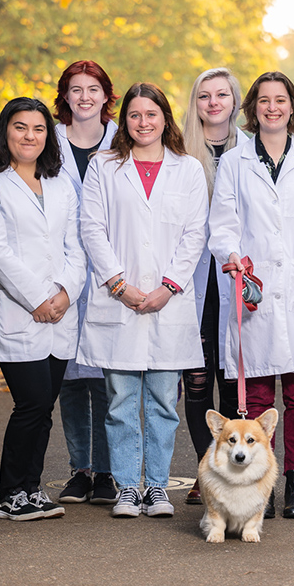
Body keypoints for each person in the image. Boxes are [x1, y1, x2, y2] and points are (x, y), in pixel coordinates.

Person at [209, 71, 294, 519]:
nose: (272, 107)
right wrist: (232, 254)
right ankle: (260, 483)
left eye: (280, 99)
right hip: (254, 286)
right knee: (259, 396)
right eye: (263, 100)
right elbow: (223, 222)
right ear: (252, 108)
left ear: (292, 106)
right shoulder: (234, 162)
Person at [78, 83, 209, 519]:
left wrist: (167, 287)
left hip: (168, 300)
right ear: (124, 121)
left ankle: (156, 486)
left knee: (162, 400)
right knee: (119, 400)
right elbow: (91, 228)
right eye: (134, 115)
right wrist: (120, 285)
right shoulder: (103, 167)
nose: (143, 122)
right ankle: (127, 487)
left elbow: (195, 233)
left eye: (151, 114)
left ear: (165, 119)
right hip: (120, 299)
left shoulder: (187, 169)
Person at [0, 97, 87, 521]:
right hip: (21, 310)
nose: (29, 136)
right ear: (5, 132)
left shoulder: (59, 184)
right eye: (20, 127)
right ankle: (8, 494)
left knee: (44, 407)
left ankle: (31, 489)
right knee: (31, 403)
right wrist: (38, 297)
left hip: (59, 310)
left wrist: (66, 293)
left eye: (38, 129)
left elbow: (76, 246)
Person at [51, 60, 120, 506]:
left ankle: (108, 471)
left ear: (105, 95)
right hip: (61, 269)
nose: (84, 97)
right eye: (75, 89)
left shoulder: (123, 140)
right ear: (65, 96)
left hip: (110, 268)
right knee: (71, 379)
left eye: (92, 89)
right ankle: (80, 469)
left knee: (106, 378)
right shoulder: (49, 141)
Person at [180, 67, 247, 505]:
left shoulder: (251, 149)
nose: (213, 103)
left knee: (232, 372)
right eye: (204, 96)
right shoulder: (179, 151)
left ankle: (230, 470)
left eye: (222, 94)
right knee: (198, 376)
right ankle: (206, 468)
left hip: (236, 272)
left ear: (235, 100)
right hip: (194, 276)